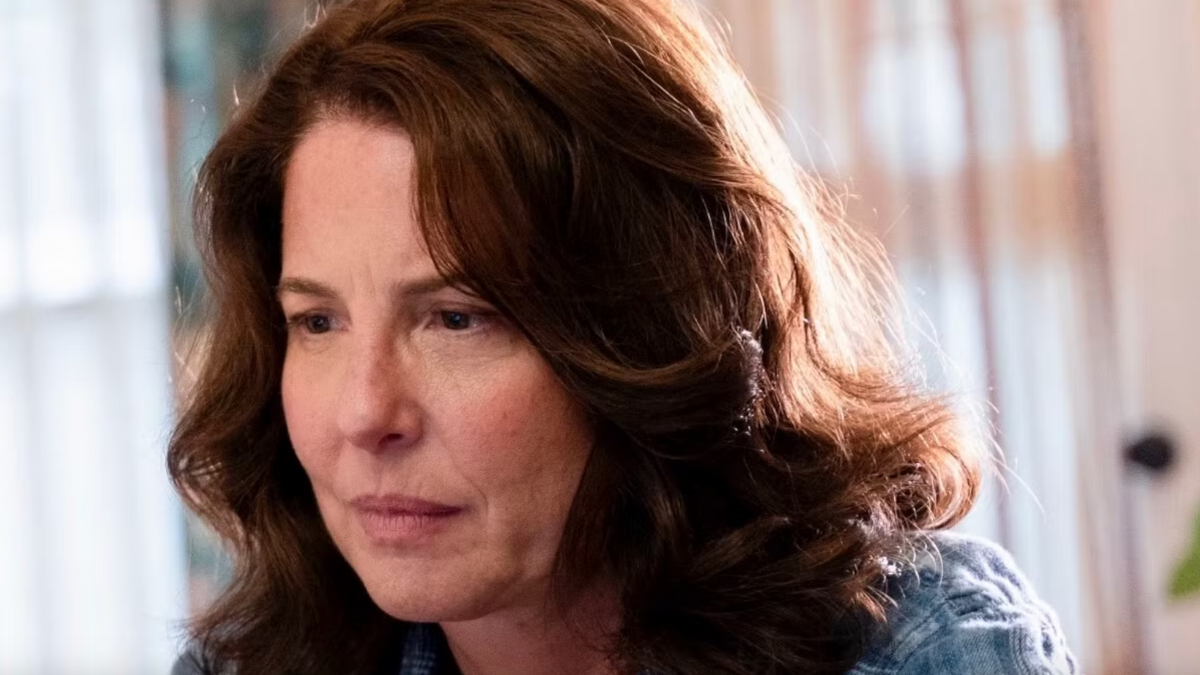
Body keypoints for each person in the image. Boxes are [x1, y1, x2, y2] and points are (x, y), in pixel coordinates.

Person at [167, 0, 1078, 673]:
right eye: (317, 321)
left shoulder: (920, 650)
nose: (365, 414)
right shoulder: (251, 663)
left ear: (650, 339)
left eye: (456, 318)